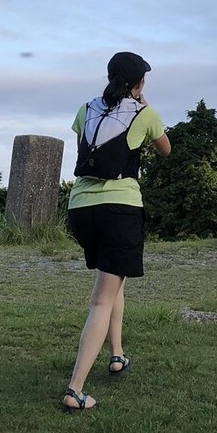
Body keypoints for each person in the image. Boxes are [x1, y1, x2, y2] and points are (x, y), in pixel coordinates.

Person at [61, 51, 171, 411]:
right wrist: (143, 103)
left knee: (112, 279)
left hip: (80, 208)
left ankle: (118, 353)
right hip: (120, 208)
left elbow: (86, 141)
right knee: (101, 301)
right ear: (139, 84)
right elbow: (165, 149)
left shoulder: (86, 108)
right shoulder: (145, 114)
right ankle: (76, 389)